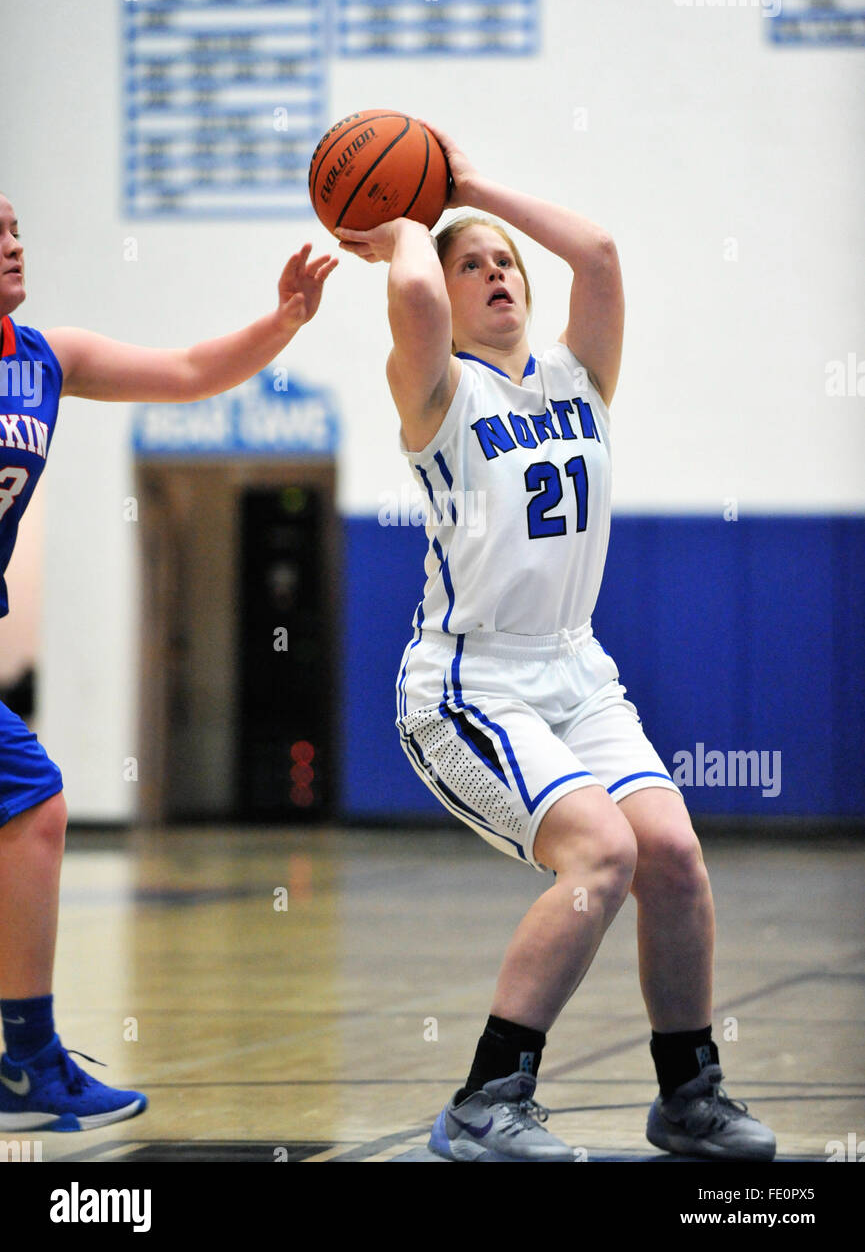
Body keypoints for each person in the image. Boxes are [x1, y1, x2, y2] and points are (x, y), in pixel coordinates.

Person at [335, 123, 776, 1163]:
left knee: (670, 855)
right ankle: (487, 1097)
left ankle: (689, 1096)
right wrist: (407, 223)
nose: (495, 273)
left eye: (504, 264)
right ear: (443, 294)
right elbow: (407, 299)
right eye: (470, 263)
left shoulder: (580, 377)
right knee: (600, 854)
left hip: (574, 668)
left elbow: (601, 255)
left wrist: (473, 186)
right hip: (466, 680)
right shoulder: (441, 393)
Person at [0, 191, 337, 1131]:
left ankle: (26, 1063)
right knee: (34, 805)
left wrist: (281, 323)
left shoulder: (44, 359)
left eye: (18, 227)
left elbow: (190, 371)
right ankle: (26, 1063)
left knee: (30, 808)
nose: (15, 244)